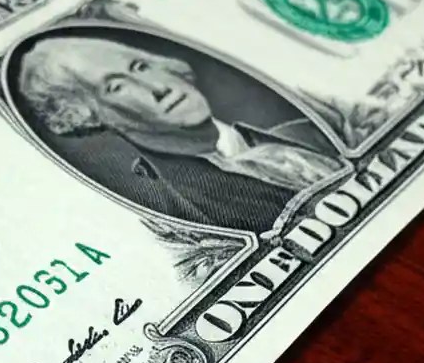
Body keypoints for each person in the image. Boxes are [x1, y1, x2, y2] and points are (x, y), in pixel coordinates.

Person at [17, 33, 344, 232]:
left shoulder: (312, 129)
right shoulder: (188, 208)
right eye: (115, 87)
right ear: (87, 117)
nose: (155, 87)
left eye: (140, 67)